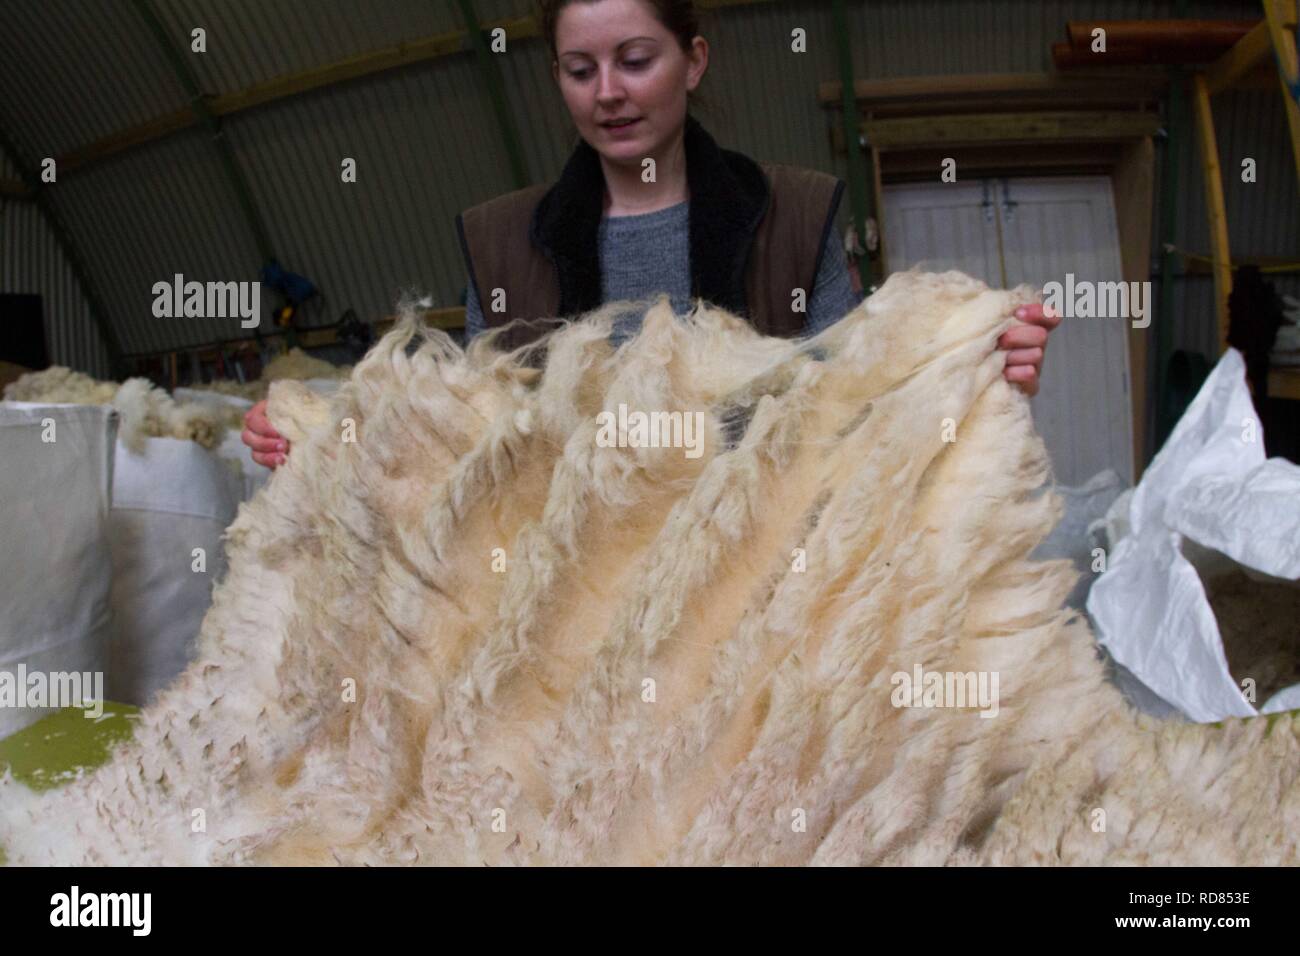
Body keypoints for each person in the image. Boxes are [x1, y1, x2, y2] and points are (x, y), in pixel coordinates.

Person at [244, 0, 1058, 469]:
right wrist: (319, 434)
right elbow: (481, 441)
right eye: (579, 69)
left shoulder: (793, 215)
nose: (608, 94)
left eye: (635, 59)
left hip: (752, 592)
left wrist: (977, 367)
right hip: (579, 605)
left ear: (693, 61)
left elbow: (850, 401)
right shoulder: (505, 244)